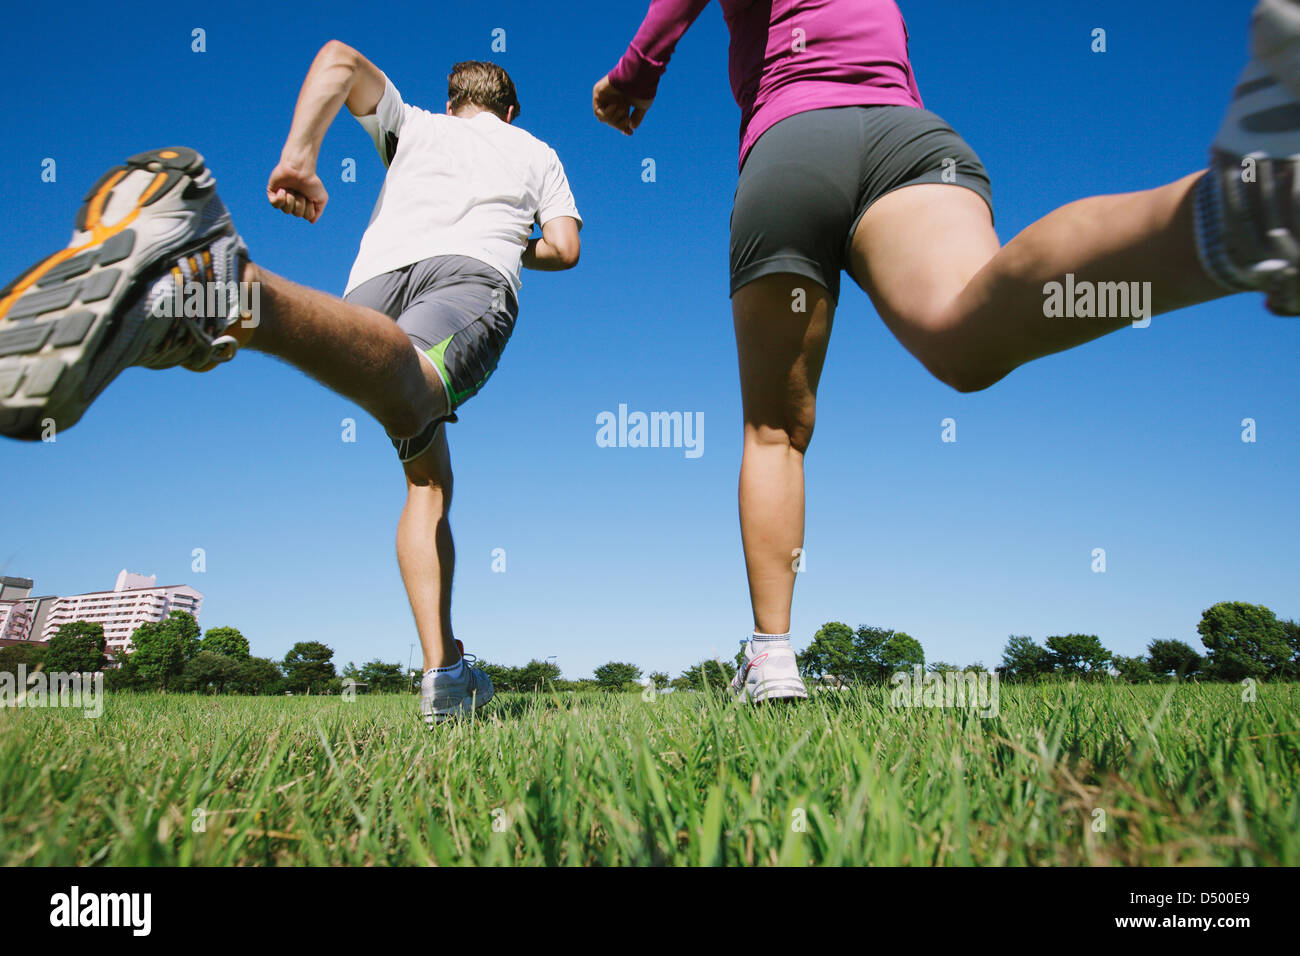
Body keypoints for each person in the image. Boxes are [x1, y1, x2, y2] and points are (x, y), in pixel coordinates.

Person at [592, 0, 1300, 701]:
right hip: (914, 145)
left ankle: (772, 656)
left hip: (793, 141)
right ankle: (1237, 214)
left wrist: (635, 73)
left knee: (775, 430)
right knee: (967, 334)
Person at [0, 42, 582, 724]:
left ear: (455, 102)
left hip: (367, 291)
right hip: (467, 274)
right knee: (421, 393)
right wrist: (513, 240)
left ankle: (446, 674)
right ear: (509, 111)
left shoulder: (417, 126)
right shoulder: (535, 150)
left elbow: (338, 59)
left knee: (428, 477)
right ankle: (237, 291)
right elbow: (565, 249)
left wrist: (299, 158)